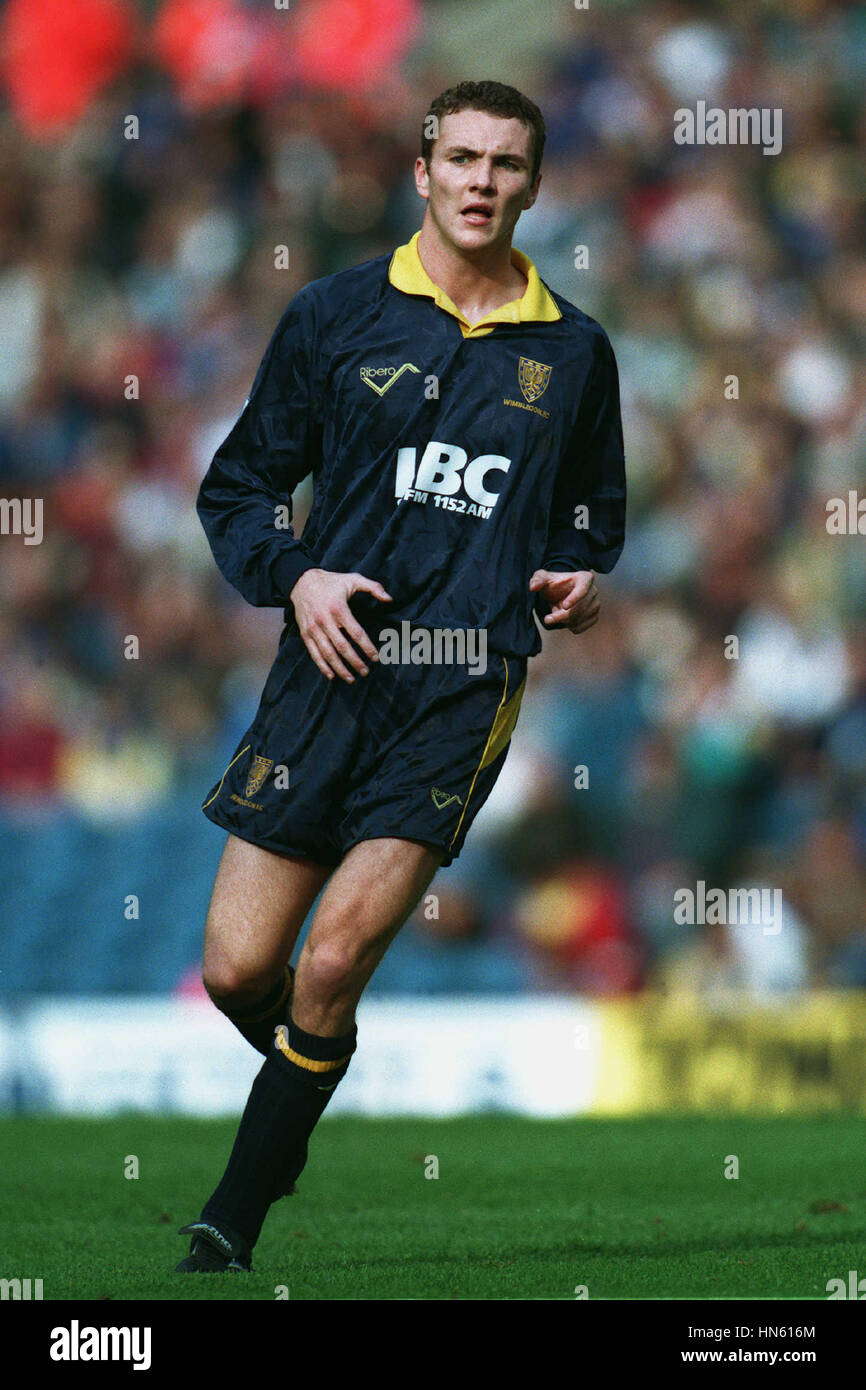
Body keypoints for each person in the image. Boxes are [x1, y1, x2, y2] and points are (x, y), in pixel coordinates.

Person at [176, 79, 626, 1272]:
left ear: (534, 184)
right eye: (463, 158)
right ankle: (305, 1081)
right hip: (325, 670)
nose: (483, 181)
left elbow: (591, 515)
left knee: (331, 963)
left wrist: (580, 574)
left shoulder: (573, 351)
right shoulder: (333, 316)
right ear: (420, 170)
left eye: (508, 164)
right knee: (239, 972)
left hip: (458, 686)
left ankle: (229, 1220)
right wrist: (299, 576)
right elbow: (237, 489)